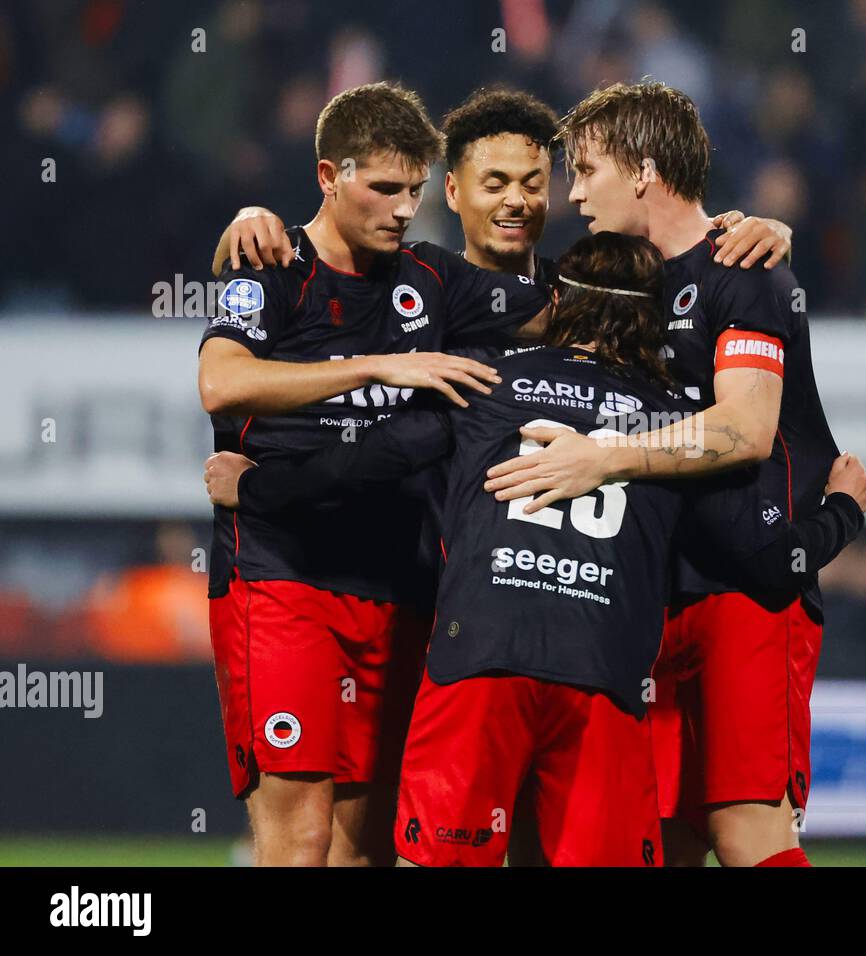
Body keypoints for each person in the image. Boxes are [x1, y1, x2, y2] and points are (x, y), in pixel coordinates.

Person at [205, 231, 866, 865]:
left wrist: (257, 488)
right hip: (601, 674)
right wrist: (841, 513)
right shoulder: (672, 427)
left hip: (480, 659)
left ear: (557, 304)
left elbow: (363, 462)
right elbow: (762, 562)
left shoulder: (484, 382)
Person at [483, 81, 843, 866]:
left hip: (747, 590)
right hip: (654, 591)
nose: (572, 193)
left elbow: (746, 431)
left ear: (644, 170)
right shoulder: (627, 284)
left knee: (746, 831)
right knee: (658, 839)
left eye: (586, 170)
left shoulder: (745, 270)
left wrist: (605, 456)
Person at [199, 81, 551, 867]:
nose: (401, 208)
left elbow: (566, 308)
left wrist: (712, 245)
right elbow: (223, 382)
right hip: (281, 575)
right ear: (329, 176)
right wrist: (379, 365)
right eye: (383, 188)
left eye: (414, 191)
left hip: (396, 589)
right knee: (301, 841)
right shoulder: (273, 268)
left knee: (367, 847)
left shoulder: (431, 277)